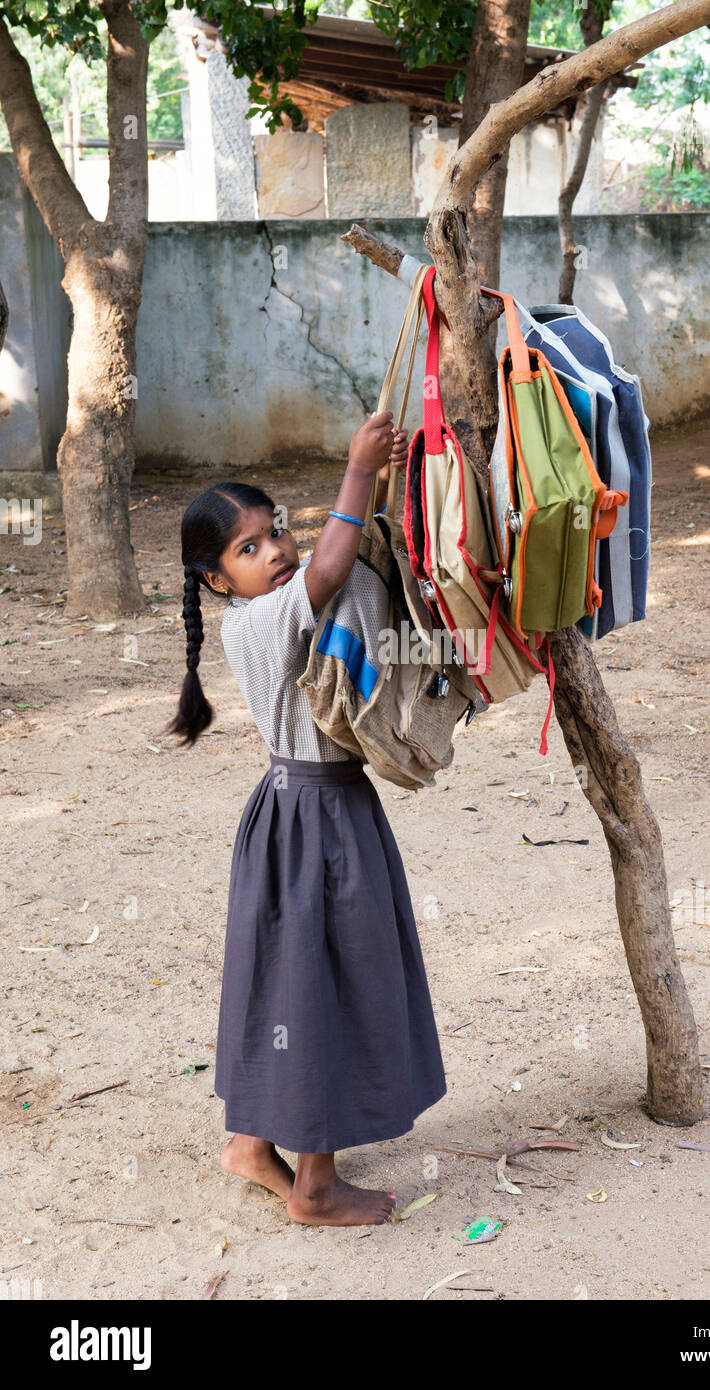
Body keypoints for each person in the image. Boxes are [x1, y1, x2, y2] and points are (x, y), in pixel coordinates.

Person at [167, 410, 447, 1226]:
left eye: (276, 531)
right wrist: (355, 471)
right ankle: (315, 1190)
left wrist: (385, 472)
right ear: (218, 581)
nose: (277, 552)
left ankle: (251, 1146)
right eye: (248, 549)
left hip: (304, 814)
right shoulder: (258, 622)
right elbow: (330, 570)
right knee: (327, 983)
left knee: (287, 979)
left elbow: (353, 554)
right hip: (315, 821)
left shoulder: (277, 600)